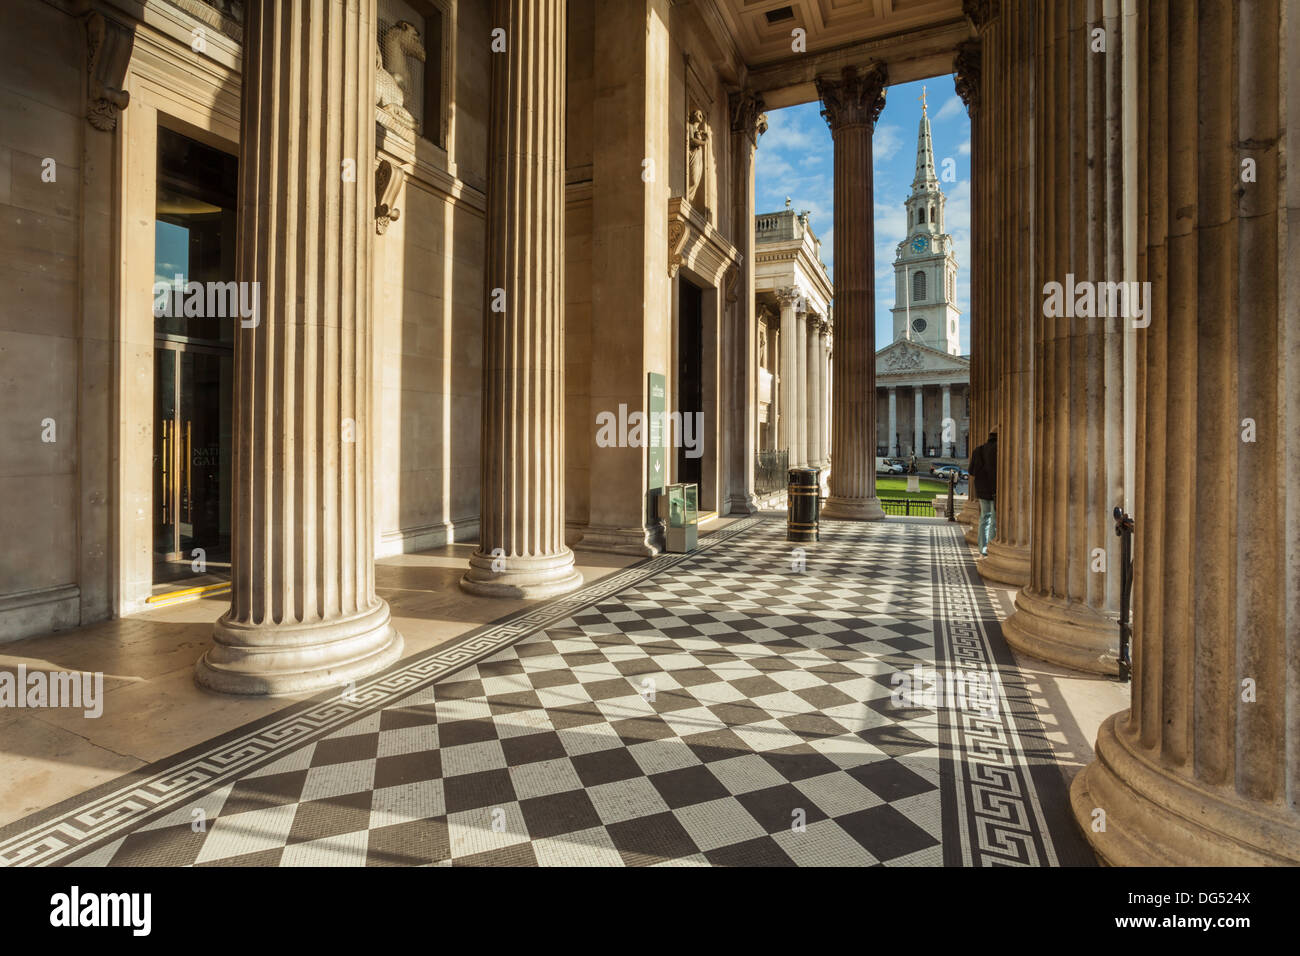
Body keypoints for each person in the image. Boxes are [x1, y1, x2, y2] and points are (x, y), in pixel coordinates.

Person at [968, 429, 998, 556]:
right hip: (995, 488)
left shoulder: (978, 450)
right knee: (994, 520)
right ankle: (991, 547)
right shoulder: (998, 449)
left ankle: (982, 547)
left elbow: (971, 471)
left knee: (984, 517)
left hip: (981, 489)